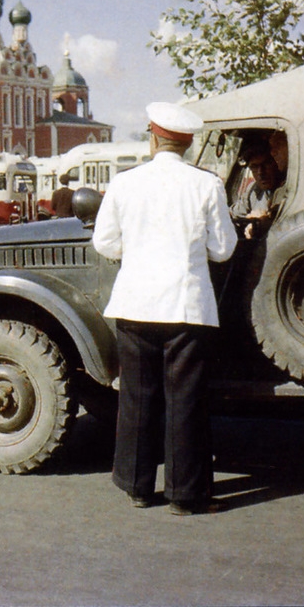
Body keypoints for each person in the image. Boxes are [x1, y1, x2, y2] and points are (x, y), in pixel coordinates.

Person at [92, 102, 237, 516]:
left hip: (135, 304)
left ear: (153, 138)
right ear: (188, 145)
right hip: (186, 307)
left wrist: (135, 253)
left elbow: (104, 243)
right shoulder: (206, 185)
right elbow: (223, 250)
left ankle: (137, 487)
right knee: (185, 400)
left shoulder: (124, 182)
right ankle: (185, 496)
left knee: (137, 397)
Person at [230, 139, 285, 239]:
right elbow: (234, 214)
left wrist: (264, 222)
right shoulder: (254, 190)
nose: (260, 173)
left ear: (276, 164)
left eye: (266, 164)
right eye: (254, 167)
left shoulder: (288, 190)